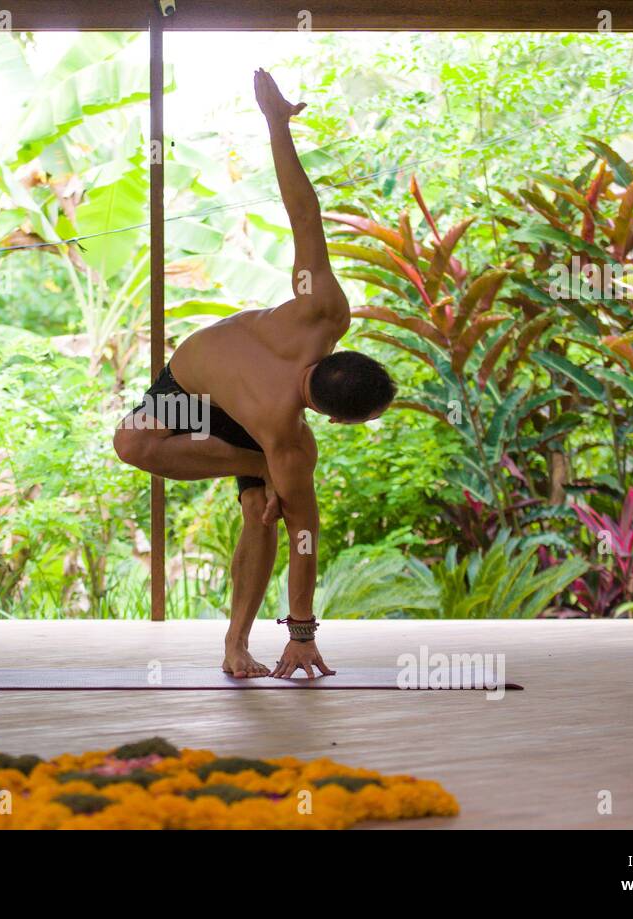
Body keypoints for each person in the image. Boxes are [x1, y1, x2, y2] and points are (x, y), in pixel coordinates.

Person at [113, 69, 396, 679]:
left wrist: (274, 122)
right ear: (331, 411)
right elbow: (308, 536)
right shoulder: (290, 426)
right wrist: (276, 123)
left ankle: (236, 645)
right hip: (191, 396)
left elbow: (304, 214)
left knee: (260, 514)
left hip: (241, 420)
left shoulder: (320, 312)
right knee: (133, 441)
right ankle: (252, 470)